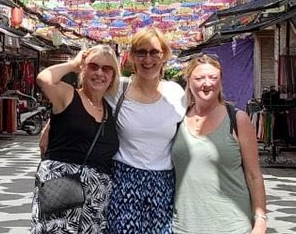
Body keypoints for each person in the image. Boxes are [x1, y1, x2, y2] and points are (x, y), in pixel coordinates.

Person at [172, 55, 268, 234]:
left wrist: (260, 220)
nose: (206, 83)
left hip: (233, 226)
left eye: (213, 77)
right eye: (199, 78)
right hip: (184, 226)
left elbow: (254, 175)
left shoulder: (237, 119)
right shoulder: (178, 119)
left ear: (220, 81)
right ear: (188, 81)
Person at [33, 46, 122, 234]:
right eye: (93, 66)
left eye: (106, 69)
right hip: (61, 189)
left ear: (113, 76)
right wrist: (73, 64)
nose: (99, 73)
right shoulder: (68, 95)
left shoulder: (110, 108)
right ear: (84, 69)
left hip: (95, 199)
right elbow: (44, 78)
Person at [105, 28, 185, 234]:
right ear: (131, 56)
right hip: (123, 182)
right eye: (141, 52)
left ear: (165, 56)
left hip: (163, 184)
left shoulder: (176, 93)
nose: (147, 59)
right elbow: (84, 101)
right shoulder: (117, 90)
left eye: (154, 52)